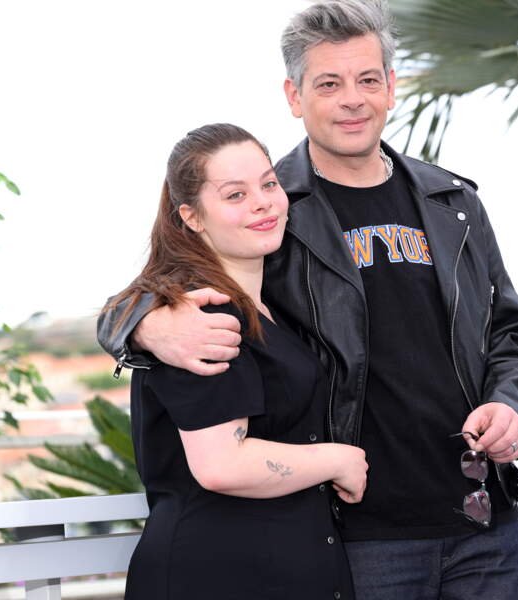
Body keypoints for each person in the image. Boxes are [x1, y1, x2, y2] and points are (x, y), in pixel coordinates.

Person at [98, 1, 518, 598]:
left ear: (391, 87)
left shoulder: (454, 202)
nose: (352, 99)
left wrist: (510, 403)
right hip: (359, 533)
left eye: (367, 79)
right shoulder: (272, 211)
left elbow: (507, 334)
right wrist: (143, 323)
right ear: (294, 95)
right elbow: (166, 279)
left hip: (484, 523)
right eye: (328, 83)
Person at [110, 123, 364, 600]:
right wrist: (337, 460)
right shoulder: (197, 313)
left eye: (269, 184)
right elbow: (221, 465)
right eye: (235, 195)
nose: (263, 202)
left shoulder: (271, 306)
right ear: (193, 217)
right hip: (219, 576)